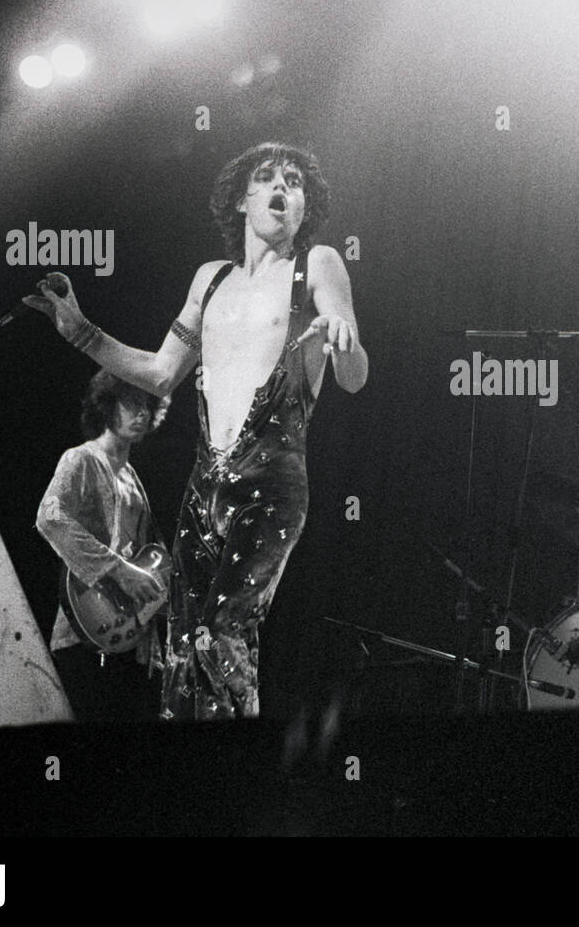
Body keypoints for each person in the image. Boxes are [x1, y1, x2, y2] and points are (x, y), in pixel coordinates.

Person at [24, 143, 369, 719]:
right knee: (182, 643)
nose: (284, 187)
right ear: (242, 199)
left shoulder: (318, 265)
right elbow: (160, 372)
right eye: (268, 178)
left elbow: (355, 377)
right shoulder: (209, 281)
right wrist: (81, 332)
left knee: (223, 634)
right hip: (205, 486)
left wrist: (342, 335)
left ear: (306, 205)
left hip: (272, 484)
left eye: (296, 180)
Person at [36, 370, 171, 721]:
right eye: (130, 403)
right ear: (107, 406)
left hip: (131, 637)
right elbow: (50, 517)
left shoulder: (133, 477)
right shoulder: (80, 459)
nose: (141, 413)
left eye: (146, 405)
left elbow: (151, 555)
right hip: (88, 629)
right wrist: (120, 571)